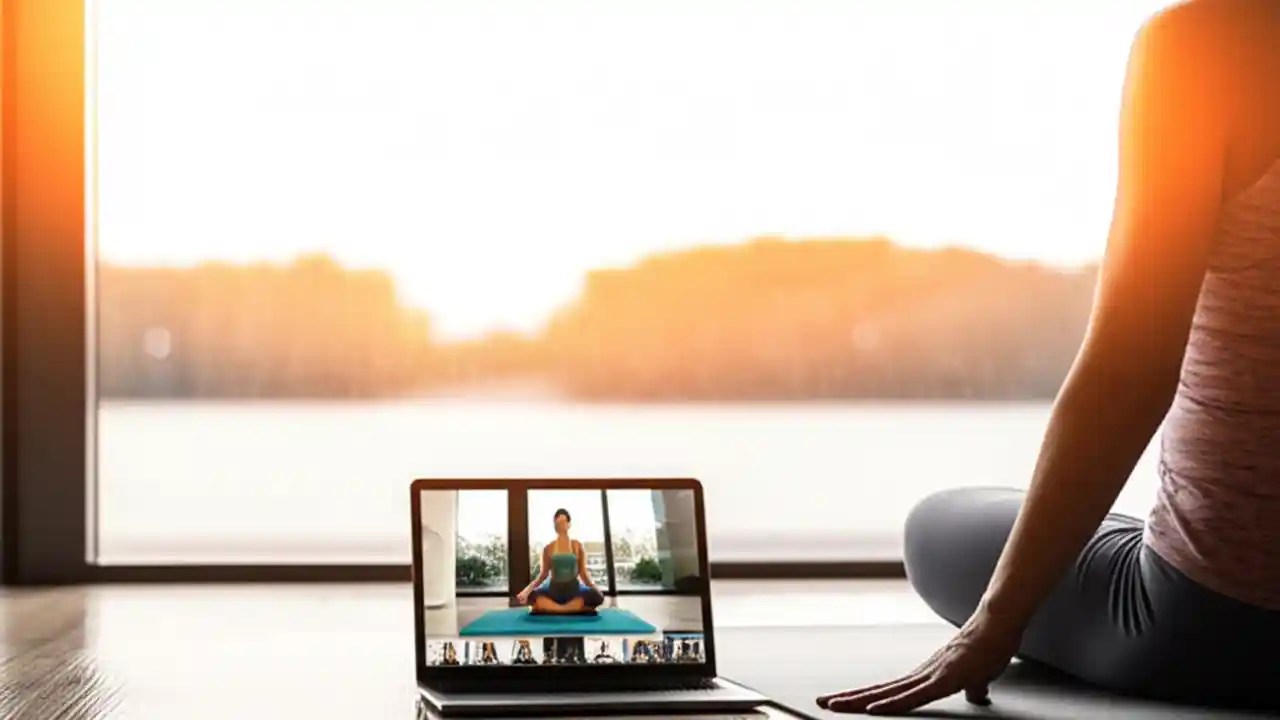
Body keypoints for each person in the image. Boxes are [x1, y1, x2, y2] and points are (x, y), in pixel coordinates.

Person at [818, 1, 1280, 714]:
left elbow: (1131, 369)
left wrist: (995, 623)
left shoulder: (1209, 46)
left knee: (935, 526)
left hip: (1227, 620)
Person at [516, 508, 605, 613]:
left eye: (562, 522)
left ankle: (552, 608)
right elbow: (543, 575)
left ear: (569, 524)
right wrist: (527, 590)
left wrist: (595, 589)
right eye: (557, 523)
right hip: (554, 590)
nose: (560, 526)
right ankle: (571, 609)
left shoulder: (577, 546)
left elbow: (583, 574)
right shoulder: (548, 548)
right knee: (530, 596)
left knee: (596, 596)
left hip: (574, 589)